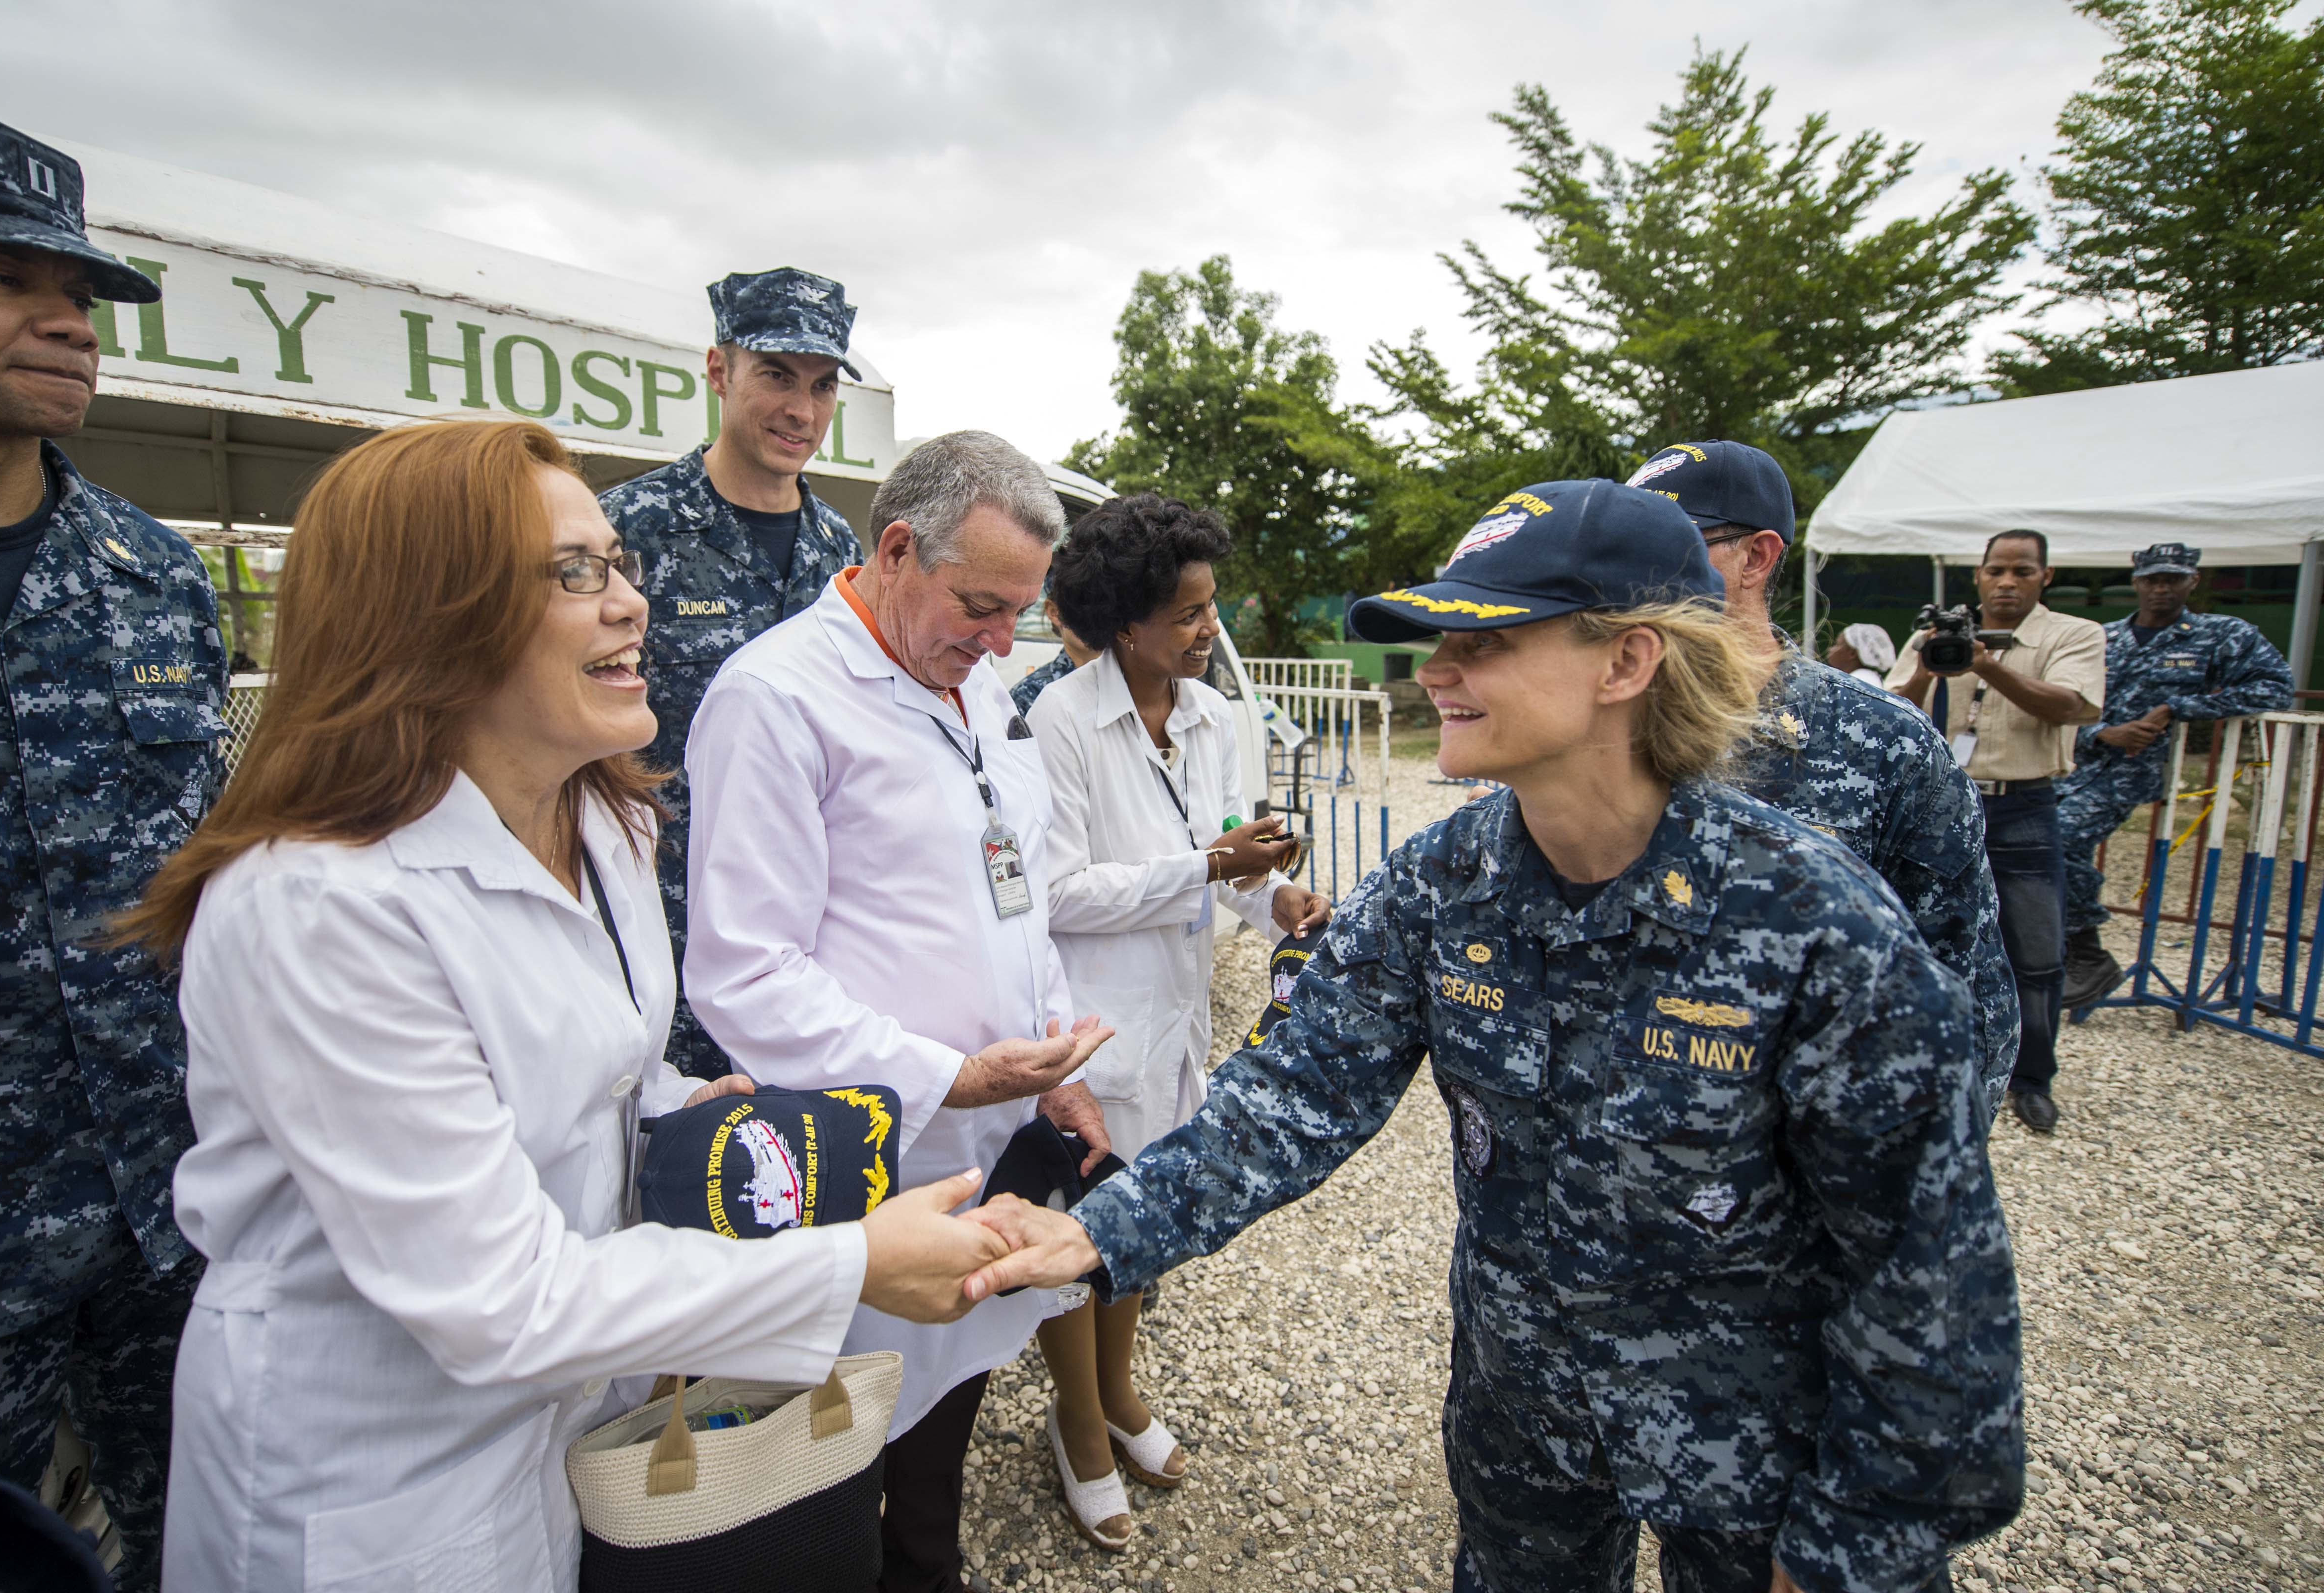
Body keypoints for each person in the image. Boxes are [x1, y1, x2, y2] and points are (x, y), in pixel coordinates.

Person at [964, 479, 2025, 1593]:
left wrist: (1847, 1552)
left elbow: (1928, 1284)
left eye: (1489, 641)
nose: (1435, 672)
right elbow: (1288, 1099)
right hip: (1527, 1441)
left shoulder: (1816, 921)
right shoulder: (1442, 884)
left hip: (1761, 1467)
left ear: (1627, 662)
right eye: (1437, 639)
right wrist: (1096, 1235)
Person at [120, 419, 1009, 1593]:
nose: (631, 604)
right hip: (378, 1483)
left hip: (560, 1433)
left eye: (620, 565)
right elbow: (499, 1300)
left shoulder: (602, 822)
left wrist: (691, 1102)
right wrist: (849, 1262)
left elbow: (594, 1071)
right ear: (429, 611)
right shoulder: (316, 907)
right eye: (576, 573)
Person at [680, 429, 1115, 1593]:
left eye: (1019, 613)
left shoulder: (973, 683)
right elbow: (743, 969)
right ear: (895, 547)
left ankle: (928, 1565)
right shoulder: (776, 698)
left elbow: (1010, 892)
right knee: (835, 1421)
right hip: (861, 1153)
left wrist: (1055, 1053)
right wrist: (947, 1073)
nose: (998, 642)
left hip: (986, 1137)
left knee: (957, 1372)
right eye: (980, 603)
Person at [0, 114, 225, 1587]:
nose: (62, 322)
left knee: (205, 1553)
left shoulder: (150, 576)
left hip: (176, 1216)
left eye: (80, 294)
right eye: (2, 275)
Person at [1027, 492, 1332, 1550]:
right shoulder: (1060, 722)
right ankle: (1075, 1419)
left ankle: (1118, 1386)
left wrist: (1273, 898)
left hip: (1177, 1021)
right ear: (1122, 623)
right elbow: (1059, 893)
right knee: (1077, 1226)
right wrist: (1207, 866)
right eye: (1191, 614)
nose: (1211, 630)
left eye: (1212, 607)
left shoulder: (1214, 716)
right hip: (1091, 1027)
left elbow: (1225, 857)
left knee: (1143, 1222)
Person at [1630, 441, 2020, 1106]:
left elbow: (1964, 982)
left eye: (1668, 545)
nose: (1634, 571)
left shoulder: (1884, 743)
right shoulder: (1599, 724)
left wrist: (1919, 1173)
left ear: (1757, 556)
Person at [602, 266, 868, 1079]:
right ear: (719, 371)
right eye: (776, 376)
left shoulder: (842, 559)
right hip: (663, 935)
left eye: (822, 387)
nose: (802, 410)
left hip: (814, 944)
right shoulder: (626, 530)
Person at [1891, 531, 2105, 1136]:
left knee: (2035, 951)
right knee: (1919, 938)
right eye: (1995, 570)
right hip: (1937, 805)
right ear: (1978, 577)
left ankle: (2032, 1078)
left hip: (2021, 804)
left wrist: (1984, 663)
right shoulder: (1931, 634)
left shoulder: (2073, 635)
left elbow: (2069, 705)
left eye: (2021, 570)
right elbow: (1888, 708)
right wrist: (1931, 666)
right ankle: (1925, 1063)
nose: (2007, 581)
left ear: (2045, 576)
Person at [2060, 542, 2293, 1006]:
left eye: (2173, 579)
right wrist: (2105, 734)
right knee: (2010, 835)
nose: (2161, 589)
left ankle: (2087, 953)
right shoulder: (2102, 637)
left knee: (2059, 836)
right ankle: (2045, 950)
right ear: (2137, 582)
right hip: (2076, 762)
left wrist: (2178, 708)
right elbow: (2068, 704)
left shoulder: (2221, 634)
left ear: (2193, 581)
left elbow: (2276, 687)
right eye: (2152, 579)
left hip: (2140, 771)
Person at [1010, 585, 1097, 717]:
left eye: (1108, 605)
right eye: (1083, 603)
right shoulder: (1028, 697)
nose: (1098, 615)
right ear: (1054, 612)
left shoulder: (1132, 683)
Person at [1826, 622, 1896, 689]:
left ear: (1852, 653)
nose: (1830, 649)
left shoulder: (1856, 682)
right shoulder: (1869, 678)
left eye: (1837, 645)